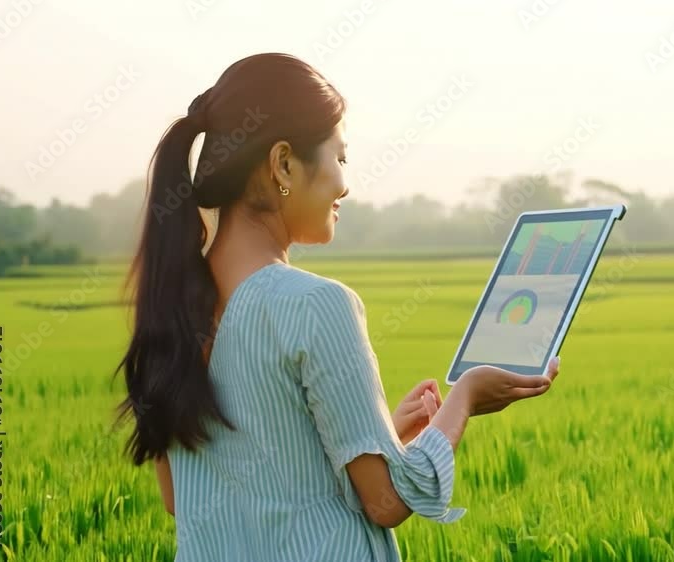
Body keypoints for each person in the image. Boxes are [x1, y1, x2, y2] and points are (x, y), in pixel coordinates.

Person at [112, 52, 559, 562]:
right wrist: (465, 401)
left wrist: (372, 435)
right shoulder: (317, 304)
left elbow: (182, 499)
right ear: (283, 164)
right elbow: (386, 502)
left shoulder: (169, 309)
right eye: (340, 158)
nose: (345, 184)